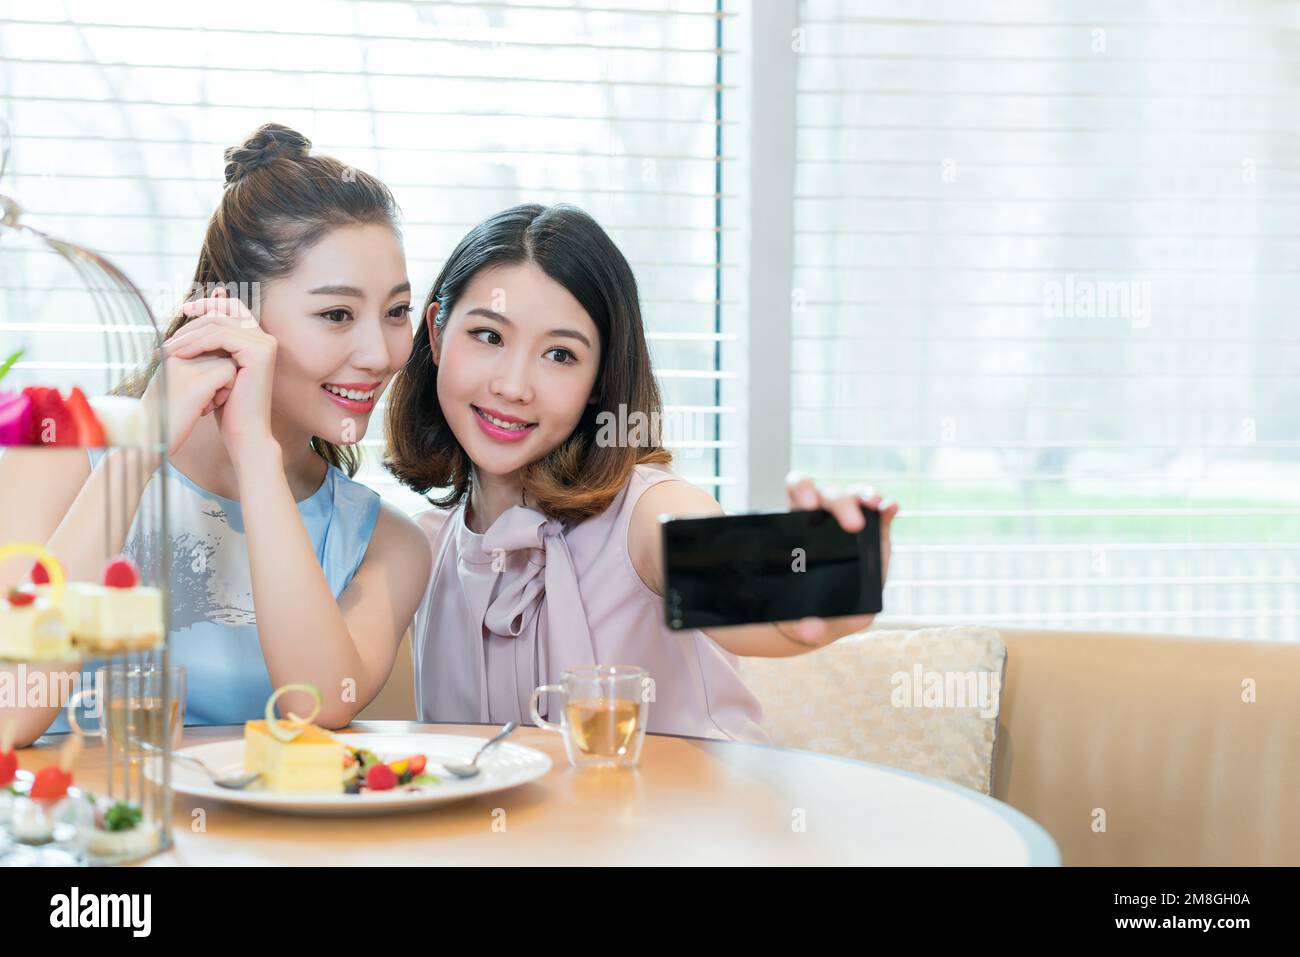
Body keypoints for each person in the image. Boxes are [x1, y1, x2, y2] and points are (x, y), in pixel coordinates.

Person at [385, 203, 897, 742]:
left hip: (690, 825)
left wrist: (828, 584)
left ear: (600, 382)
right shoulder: (425, 546)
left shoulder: (647, 513)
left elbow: (747, 593)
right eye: (489, 337)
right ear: (437, 335)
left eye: (559, 354)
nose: (514, 386)